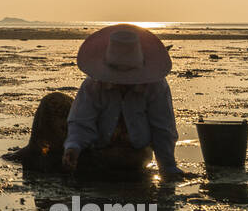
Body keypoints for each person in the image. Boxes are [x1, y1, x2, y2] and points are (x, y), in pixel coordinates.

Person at [17, 24, 183, 178]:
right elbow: (81, 122)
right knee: (52, 102)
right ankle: (54, 158)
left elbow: (163, 128)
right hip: (96, 149)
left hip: (134, 154)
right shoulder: (93, 85)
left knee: (117, 164)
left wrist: (167, 166)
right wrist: (73, 147)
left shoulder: (156, 87)